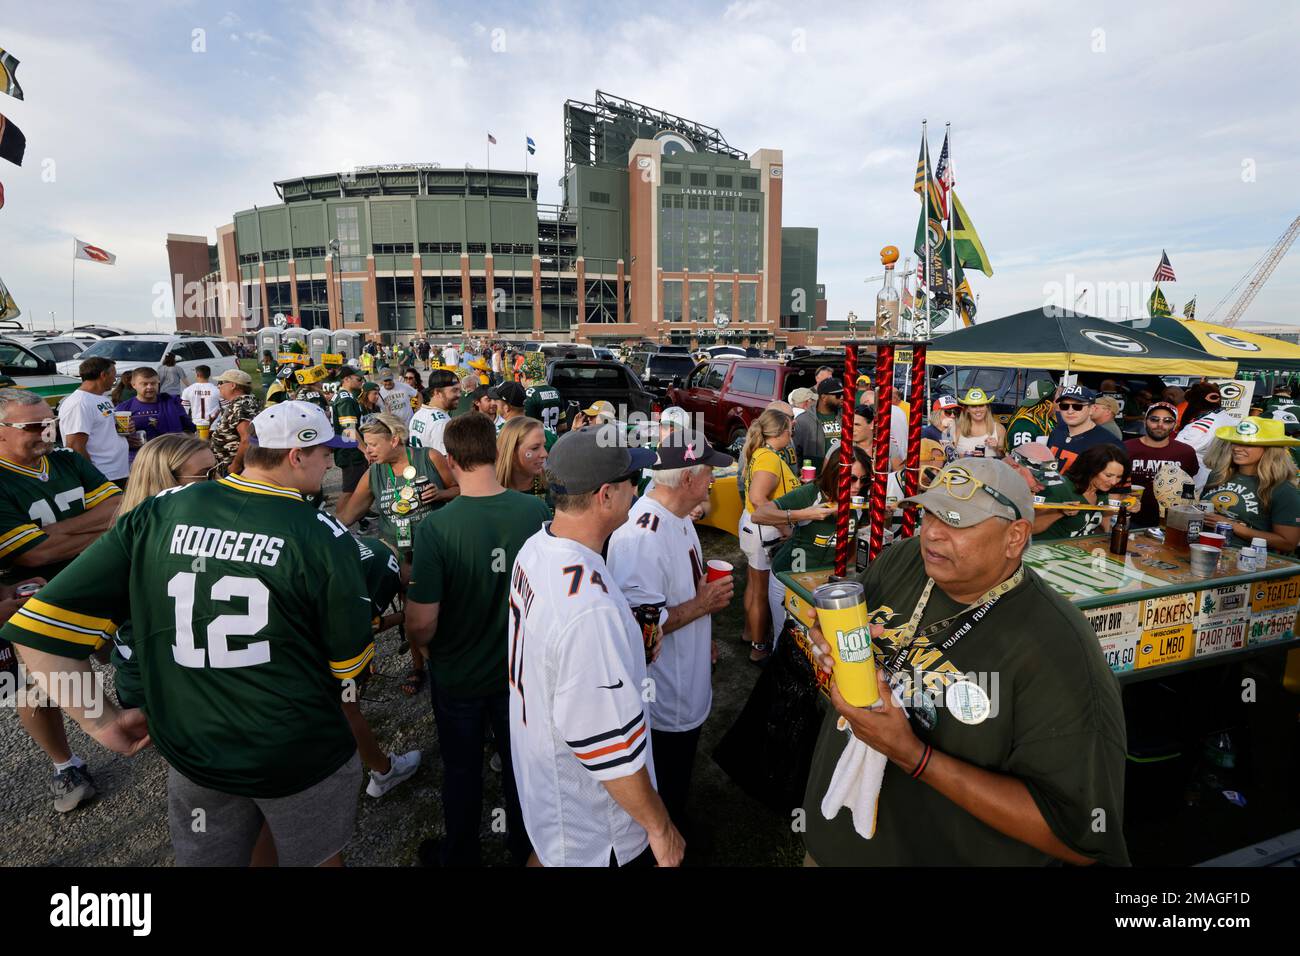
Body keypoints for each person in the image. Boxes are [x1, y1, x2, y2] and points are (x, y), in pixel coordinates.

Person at [1, 401, 375, 866]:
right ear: (297, 454)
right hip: (293, 745)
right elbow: (348, 664)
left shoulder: (160, 509)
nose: (331, 463)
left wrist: (101, 722)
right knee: (316, 859)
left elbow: (35, 630)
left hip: (193, 745)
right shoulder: (321, 533)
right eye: (326, 454)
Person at [800, 457, 1129, 866]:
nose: (933, 533)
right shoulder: (905, 560)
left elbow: (1078, 839)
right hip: (830, 842)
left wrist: (914, 756)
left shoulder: (1059, 650)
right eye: (930, 512)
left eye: (956, 520)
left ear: (1015, 537)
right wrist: (827, 644)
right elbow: (849, 639)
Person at [508, 425, 682, 867]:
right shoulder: (590, 610)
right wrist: (660, 828)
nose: (638, 489)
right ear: (605, 495)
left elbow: (563, 661)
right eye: (631, 481)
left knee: (549, 851)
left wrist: (623, 655)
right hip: (595, 820)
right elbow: (609, 751)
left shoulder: (536, 545)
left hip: (544, 770)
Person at [406, 413, 549, 866]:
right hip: (519, 674)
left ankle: (461, 852)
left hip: (460, 673)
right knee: (521, 767)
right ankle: (524, 847)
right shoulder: (535, 512)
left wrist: (426, 649)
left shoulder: (436, 528)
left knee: (463, 768)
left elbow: (422, 622)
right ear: (494, 452)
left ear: (450, 460)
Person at [0, 387, 122, 813]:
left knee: (134, 655)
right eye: (34, 426)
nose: (48, 431)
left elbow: (121, 509)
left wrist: (58, 534)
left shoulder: (67, 460)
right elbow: (30, 553)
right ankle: (65, 764)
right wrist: (97, 531)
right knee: (39, 690)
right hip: (38, 598)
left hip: (99, 583)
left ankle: (147, 727)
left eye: (49, 420)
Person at [606, 431, 734, 834]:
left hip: (685, 678)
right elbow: (636, 628)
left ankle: (675, 822)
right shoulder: (641, 537)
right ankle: (663, 842)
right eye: (709, 470)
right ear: (687, 479)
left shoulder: (677, 516)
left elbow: (683, 587)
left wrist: (704, 624)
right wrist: (702, 606)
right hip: (663, 698)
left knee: (679, 776)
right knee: (665, 782)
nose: (714, 478)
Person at [750, 447, 851, 646]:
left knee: (819, 641)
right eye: (851, 478)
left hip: (826, 581)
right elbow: (759, 514)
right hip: (790, 576)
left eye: (863, 480)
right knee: (788, 637)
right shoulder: (812, 493)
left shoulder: (860, 501)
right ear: (835, 473)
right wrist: (805, 514)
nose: (857, 485)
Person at [738, 409, 799, 663]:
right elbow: (757, 498)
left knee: (755, 586)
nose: (791, 435)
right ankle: (759, 645)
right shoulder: (769, 458)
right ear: (782, 432)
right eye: (790, 431)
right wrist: (785, 526)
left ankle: (750, 633)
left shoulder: (764, 453)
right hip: (765, 531)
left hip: (755, 528)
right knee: (761, 591)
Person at [1199, 417, 1300, 551]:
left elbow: (1287, 543)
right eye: (1235, 442)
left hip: (1246, 564)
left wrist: (1232, 526)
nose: (1237, 448)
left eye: (1248, 444)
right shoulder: (1218, 476)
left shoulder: (1283, 489)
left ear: (1270, 449)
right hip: (1201, 548)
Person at [1122, 401, 1199, 527]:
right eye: (1154, 419)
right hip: (1130, 518)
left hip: (1170, 522)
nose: (1160, 425)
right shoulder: (1125, 448)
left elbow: (1188, 486)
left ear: (1174, 425)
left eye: (1167, 421)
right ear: (1145, 421)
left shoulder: (1186, 452)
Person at [1034, 444, 1131, 540]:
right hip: (1045, 551)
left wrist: (1128, 507)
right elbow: (1031, 527)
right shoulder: (1059, 487)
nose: (1114, 482)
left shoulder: (1101, 492)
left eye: (1119, 477)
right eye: (1108, 475)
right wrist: (1059, 512)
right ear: (1091, 469)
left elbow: (1105, 529)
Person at [59, 357, 130, 485]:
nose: (114, 380)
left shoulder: (103, 398)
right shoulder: (79, 403)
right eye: (113, 376)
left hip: (117, 471)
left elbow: (104, 431)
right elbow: (75, 446)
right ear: (103, 375)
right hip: (101, 475)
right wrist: (92, 477)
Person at [115, 367, 195, 459]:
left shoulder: (171, 402)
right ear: (134, 385)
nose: (150, 387)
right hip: (140, 460)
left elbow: (190, 431)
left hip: (172, 457)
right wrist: (126, 442)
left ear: (158, 383)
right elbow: (113, 439)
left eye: (153, 383)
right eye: (144, 384)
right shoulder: (123, 409)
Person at [1046, 384, 1123, 470]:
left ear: (1092, 409)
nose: (1070, 411)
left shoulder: (1108, 443)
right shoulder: (1056, 432)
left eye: (1078, 406)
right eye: (1065, 406)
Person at [330, 367, 371, 523]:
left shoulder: (343, 395)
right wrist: (365, 450)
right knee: (349, 491)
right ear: (346, 379)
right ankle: (338, 524)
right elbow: (349, 430)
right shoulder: (346, 399)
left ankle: (351, 518)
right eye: (358, 379)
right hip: (350, 451)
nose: (362, 382)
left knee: (354, 489)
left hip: (348, 448)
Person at [209, 369, 262, 477]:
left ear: (233, 385)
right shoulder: (246, 402)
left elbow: (247, 439)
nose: (218, 386)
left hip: (233, 468)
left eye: (221, 383)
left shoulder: (241, 405)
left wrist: (235, 465)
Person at [496, 416, 550, 506]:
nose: (544, 454)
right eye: (535, 448)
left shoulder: (554, 489)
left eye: (544, 445)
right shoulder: (489, 492)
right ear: (511, 451)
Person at [792, 378, 844, 470]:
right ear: (824, 397)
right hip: (816, 476)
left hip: (842, 473)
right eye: (838, 395)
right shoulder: (803, 420)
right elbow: (795, 452)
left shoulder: (847, 417)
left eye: (843, 394)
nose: (842, 397)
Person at [953, 387, 1006, 458]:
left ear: (987, 407)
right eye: (973, 406)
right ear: (967, 409)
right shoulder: (957, 429)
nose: (978, 410)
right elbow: (949, 456)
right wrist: (968, 455)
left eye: (981, 405)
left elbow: (1005, 460)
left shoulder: (999, 429)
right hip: (964, 468)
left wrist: (997, 448)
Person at [1005, 379, 1058, 449]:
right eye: (1056, 400)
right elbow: (1020, 456)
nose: (1058, 403)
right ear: (1048, 404)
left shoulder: (1046, 419)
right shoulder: (1024, 425)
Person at [519, 355, 562, 435]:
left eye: (520, 376)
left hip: (537, 440)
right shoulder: (556, 391)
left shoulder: (529, 394)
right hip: (554, 440)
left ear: (524, 375)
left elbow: (526, 427)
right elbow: (563, 425)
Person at [180, 365, 220, 433]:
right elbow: (226, 407)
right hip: (214, 426)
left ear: (197, 374)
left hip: (196, 425)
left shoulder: (188, 390)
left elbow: (184, 410)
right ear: (209, 375)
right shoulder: (217, 390)